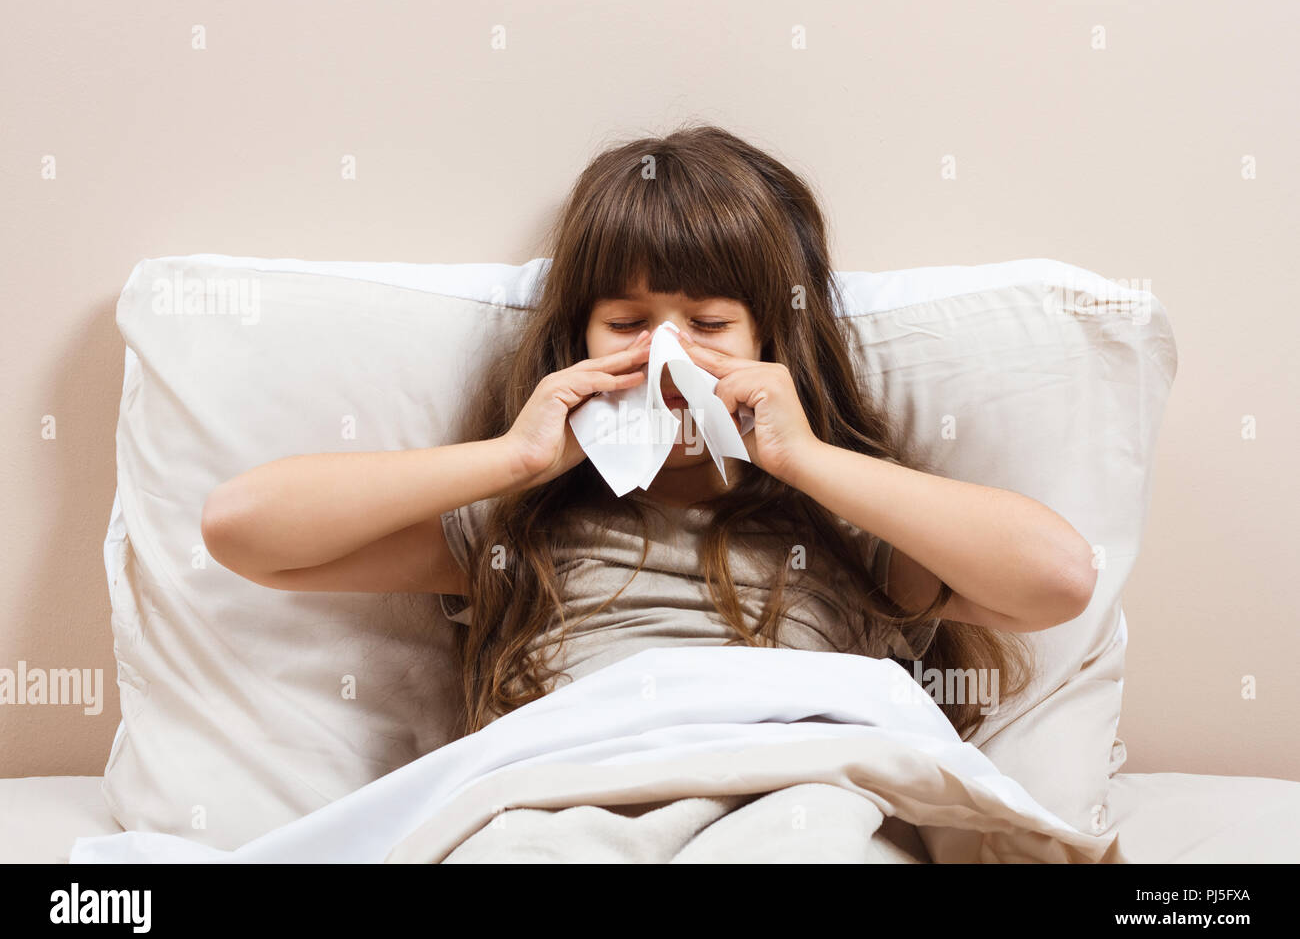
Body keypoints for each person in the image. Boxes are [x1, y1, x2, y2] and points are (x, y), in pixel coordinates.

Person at [200, 124, 1095, 746]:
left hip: (794, 794)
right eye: (627, 322)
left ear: (771, 345)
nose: (667, 355)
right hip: (575, 794)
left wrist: (811, 462)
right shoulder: (522, 533)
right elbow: (244, 531)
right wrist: (511, 459)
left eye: (707, 323)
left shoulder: (848, 532)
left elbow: (1056, 580)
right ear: (575, 343)